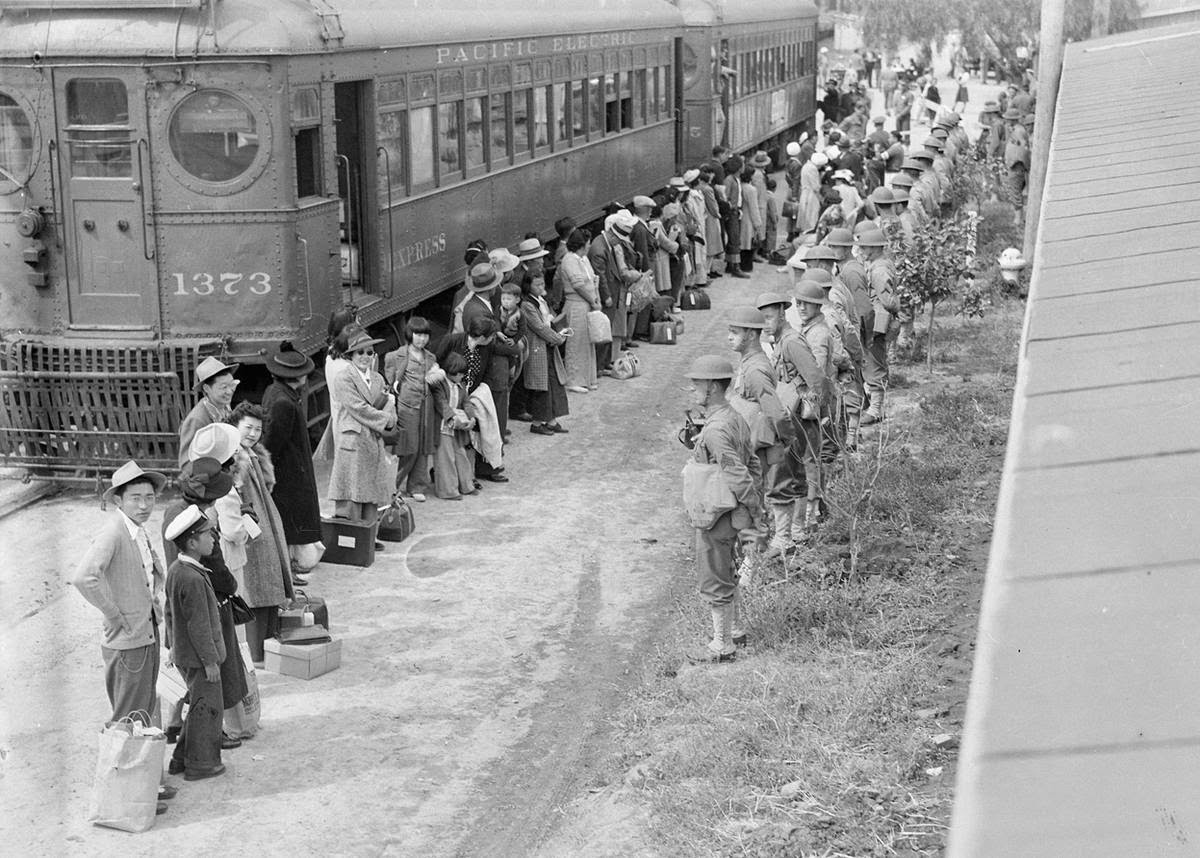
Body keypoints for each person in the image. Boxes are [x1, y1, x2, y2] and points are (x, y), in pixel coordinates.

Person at [71, 460, 175, 811]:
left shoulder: (137, 530)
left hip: (145, 634)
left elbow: (145, 578)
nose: (144, 505)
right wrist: (116, 616)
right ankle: (125, 795)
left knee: (146, 711)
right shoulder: (114, 531)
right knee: (128, 718)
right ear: (119, 500)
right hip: (128, 642)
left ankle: (148, 784)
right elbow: (85, 577)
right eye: (135, 498)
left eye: (149, 497)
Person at [680, 355, 761, 663]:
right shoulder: (733, 416)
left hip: (717, 513)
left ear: (712, 387)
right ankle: (735, 630)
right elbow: (752, 463)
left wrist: (752, 509)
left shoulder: (715, 429)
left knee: (714, 573)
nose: (692, 389)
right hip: (730, 509)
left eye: (697, 384)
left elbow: (737, 472)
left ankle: (721, 644)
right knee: (727, 569)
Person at [223, 401, 293, 664]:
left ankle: (266, 644)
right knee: (253, 587)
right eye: (248, 428)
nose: (253, 434)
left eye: (257, 429)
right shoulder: (235, 458)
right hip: (250, 530)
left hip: (264, 524)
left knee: (268, 583)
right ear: (235, 427)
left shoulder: (255, 454)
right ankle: (255, 651)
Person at [758, 288, 829, 544]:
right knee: (795, 472)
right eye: (761, 319)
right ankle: (796, 532)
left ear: (780, 312)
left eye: (768, 317)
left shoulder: (791, 341)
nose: (765, 324)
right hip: (793, 413)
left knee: (784, 472)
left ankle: (786, 535)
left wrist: (815, 411)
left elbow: (817, 379)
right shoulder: (782, 341)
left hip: (796, 416)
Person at [163, 505, 226, 781]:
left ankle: (179, 759)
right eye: (207, 534)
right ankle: (201, 765)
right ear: (192, 542)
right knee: (206, 711)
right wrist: (210, 661)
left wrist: (173, 646)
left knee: (198, 706)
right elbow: (198, 625)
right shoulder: (193, 577)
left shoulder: (177, 570)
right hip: (201, 660)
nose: (213, 538)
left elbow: (170, 614)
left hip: (187, 655)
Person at [261, 341, 323, 577]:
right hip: (288, 469)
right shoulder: (284, 403)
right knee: (289, 518)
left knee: (287, 517)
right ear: (299, 377)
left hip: (286, 466)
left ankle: (290, 563)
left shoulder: (274, 391)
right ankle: (289, 567)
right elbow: (274, 443)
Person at [329, 327, 397, 523]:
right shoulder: (343, 378)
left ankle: (368, 537)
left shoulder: (378, 378)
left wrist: (390, 415)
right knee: (351, 492)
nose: (365, 356)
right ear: (351, 355)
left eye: (369, 352)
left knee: (371, 494)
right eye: (360, 352)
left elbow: (388, 403)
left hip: (373, 442)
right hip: (353, 442)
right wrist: (387, 419)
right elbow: (358, 408)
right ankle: (352, 541)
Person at [384, 316, 441, 502]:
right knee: (409, 447)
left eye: (425, 335)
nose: (421, 339)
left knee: (424, 446)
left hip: (426, 408)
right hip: (406, 408)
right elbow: (390, 382)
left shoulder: (430, 357)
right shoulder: (396, 356)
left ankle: (416, 485)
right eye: (417, 334)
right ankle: (391, 486)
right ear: (410, 334)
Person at [856, 228, 900, 426]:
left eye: (865, 247)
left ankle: (876, 410)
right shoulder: (879, 264)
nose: (863, 250)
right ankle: (873, 406)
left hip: (876, 320)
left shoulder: (879, 268)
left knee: (874, 361)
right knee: (872, 359)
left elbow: (887, 300)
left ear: (874, 248)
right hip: (874, 318)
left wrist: (892, 310)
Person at [520, 270, 571, 435]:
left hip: (546, 347)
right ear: (529, 287)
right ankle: (536, 423)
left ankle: (551, 420)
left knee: (551, 383)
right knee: (540, 386)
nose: (542, 287)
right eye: (537, 284)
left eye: (542, 283)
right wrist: (558, 338)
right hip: (537, 349)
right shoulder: (527, 305)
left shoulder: (540, 300)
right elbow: (539, 327)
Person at [588, 209, 641, 363]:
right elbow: (601, 276)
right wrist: (607, 297)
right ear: (612, 235)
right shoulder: (600, 249)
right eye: (619, 239)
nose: (620, 243)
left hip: (614, 291)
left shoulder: (607, 243)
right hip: (609, 294)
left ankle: (605, 363)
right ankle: (601, 364)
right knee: (605, 330)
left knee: (609, 329)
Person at [557, 228, 601, 392]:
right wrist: (592, 300)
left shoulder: (582, 259)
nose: (589, 246)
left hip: (587, 304)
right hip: (576, 305)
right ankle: (573, 379)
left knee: (587, 341)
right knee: (576, 343)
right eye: (588, 244)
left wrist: (596, 299)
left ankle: (588, 378)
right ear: (581, 245)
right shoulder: (569, 260)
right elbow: (578, 285)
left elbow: (592, 280)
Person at [313, 308, 357, 462]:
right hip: (350, 425)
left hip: (340, 418)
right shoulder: (344, 367)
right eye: (350, 328)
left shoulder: (332, 356)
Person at [431, 352, 477, 500]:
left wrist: (472, 417)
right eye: (459, 374)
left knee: (461, 455)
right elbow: (441, 403)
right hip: (443, 427)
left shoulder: (460, 386)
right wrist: (452, 418)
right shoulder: (440, 384)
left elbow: (466, 402)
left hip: (457, 428)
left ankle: (466, 486)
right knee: (446, 459)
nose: (461, 377)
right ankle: (448, 491)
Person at [179, 357, 239, 465]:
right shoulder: (197, 420)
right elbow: (186, 463)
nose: (230, 391)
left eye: (232, 385)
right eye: (224, 387)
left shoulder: (225, 407)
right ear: (207, 389)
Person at [738, 165, 763, 273]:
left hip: (739, 218)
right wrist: (758, 224)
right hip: (748, 219)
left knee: (740, 242)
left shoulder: (739, 186)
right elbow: (754, 208)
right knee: (747, 243)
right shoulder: (751, 189)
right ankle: (746, 266)